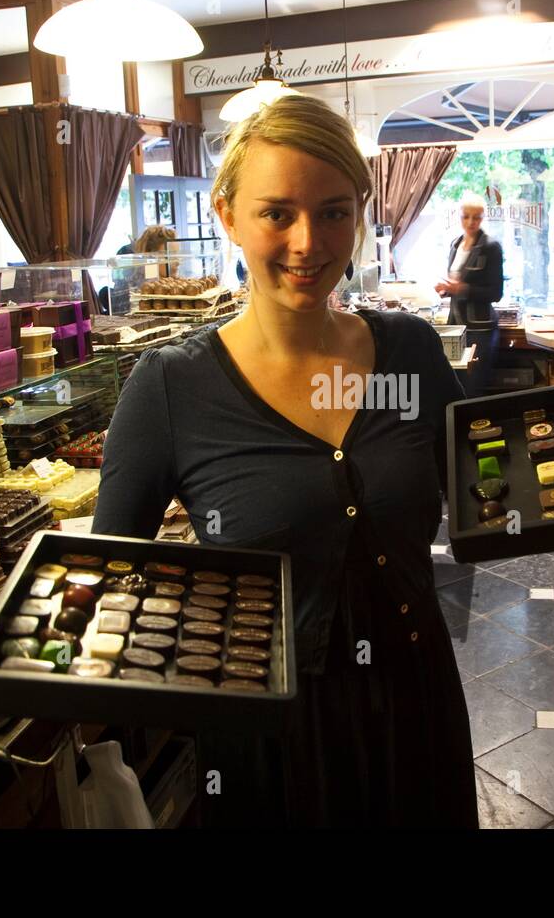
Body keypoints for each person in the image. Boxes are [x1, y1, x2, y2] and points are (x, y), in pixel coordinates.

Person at [93, 95, 477, 827]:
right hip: (267, 736)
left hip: (414, 703)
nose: (309, 242)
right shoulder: (171, 387)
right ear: (228, 214)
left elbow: (486, 488)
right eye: (278, 213)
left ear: (361, 213)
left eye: (334, 211)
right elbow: (109, 577)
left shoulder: (411, 353)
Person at [436, 195, 504, 395]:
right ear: (459, 217)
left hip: (480, 329)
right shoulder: (455, 244)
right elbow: (456, 284)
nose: (471, 222)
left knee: (473, 390)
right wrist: (445, 289)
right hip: (455, 325)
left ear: (483, 218)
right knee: (455, 387)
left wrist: (461, 289)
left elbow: (496, 293)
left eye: (476, 217)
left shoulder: (491, 247)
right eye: (466, 217)